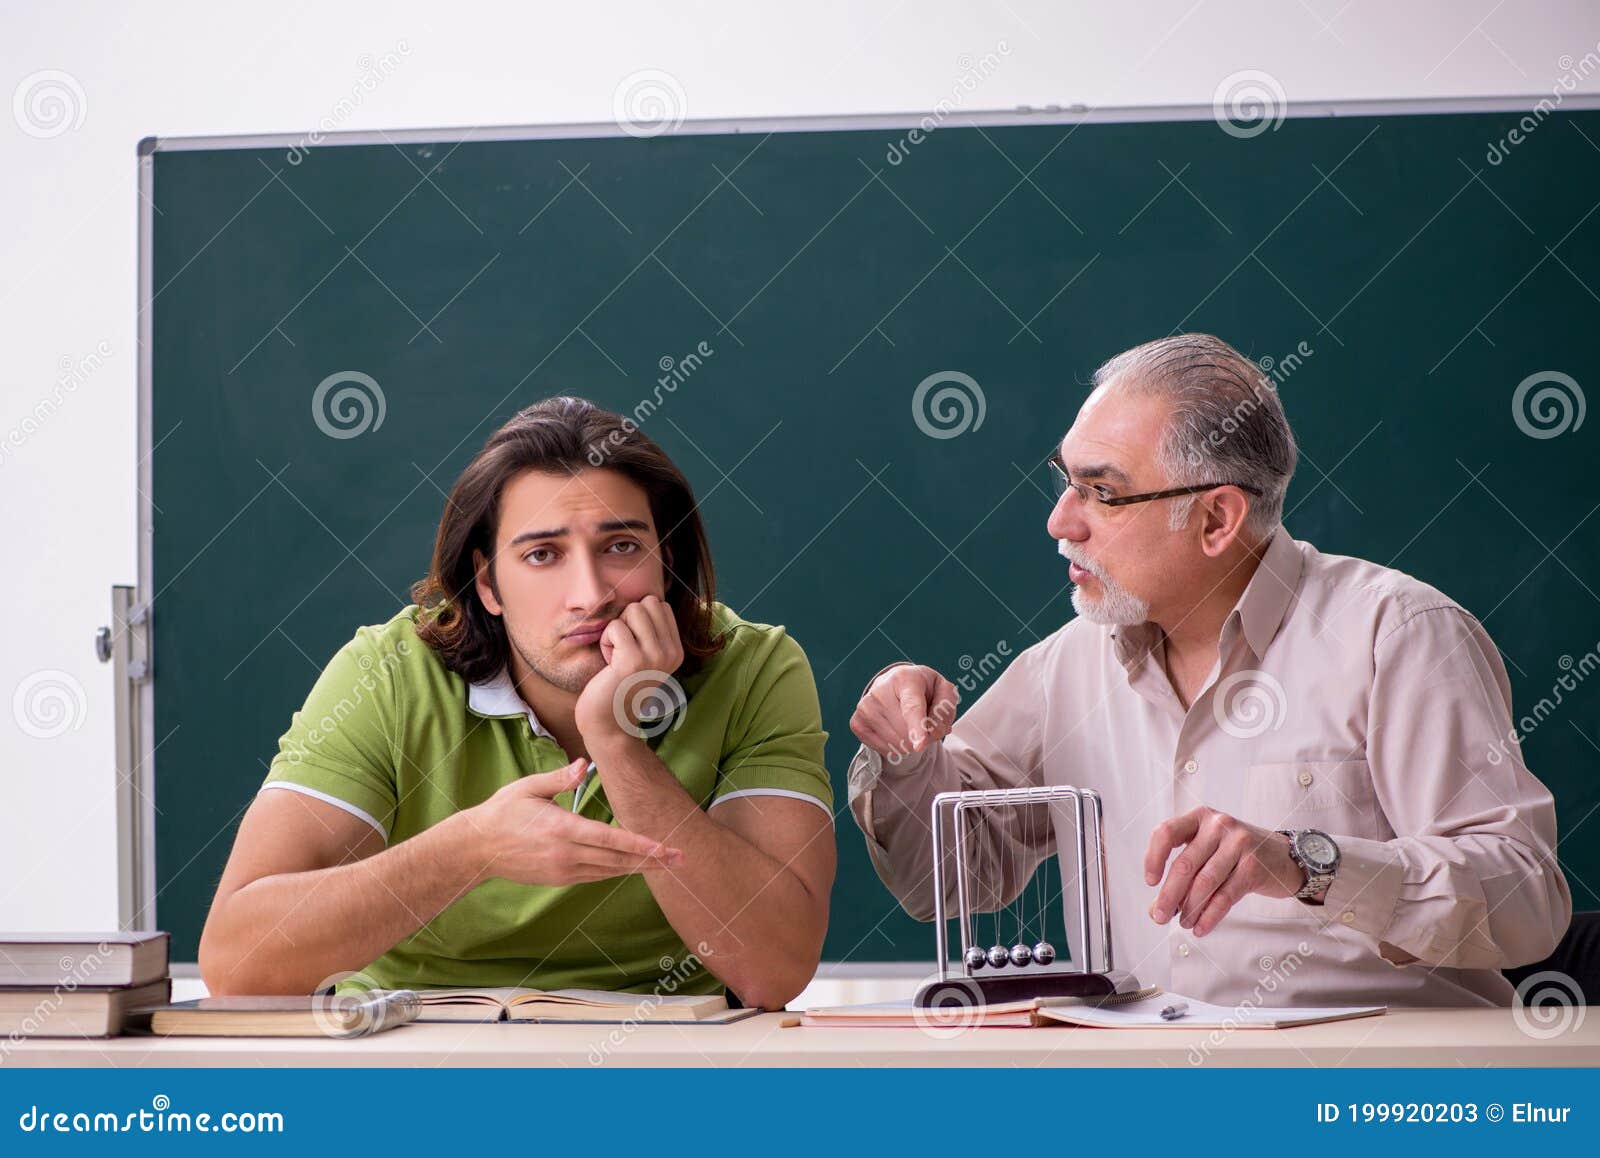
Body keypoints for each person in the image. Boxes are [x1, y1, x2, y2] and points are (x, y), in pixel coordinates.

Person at [847, 333, 1571, 1007]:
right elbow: (941, 880)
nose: (1060, 521)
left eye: (1102, 492)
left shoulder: (1399, 636)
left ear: (1217, 520)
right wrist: (903, 752)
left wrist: (1309, 863)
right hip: (1155, 1099)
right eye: (1065, 481)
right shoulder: (1064, 667)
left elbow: (1527, 901)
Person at [200, 397, 835, 1009]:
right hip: (411, 1058)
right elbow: (239, 966)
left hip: (658, 1061)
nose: (590, 595)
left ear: (665, 562)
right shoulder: (386, 674)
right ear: (487, 585)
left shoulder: (753, 668)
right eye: (542, 554)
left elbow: (772, 972)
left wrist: (616, 744)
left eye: (620, 547)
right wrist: (473, 848)